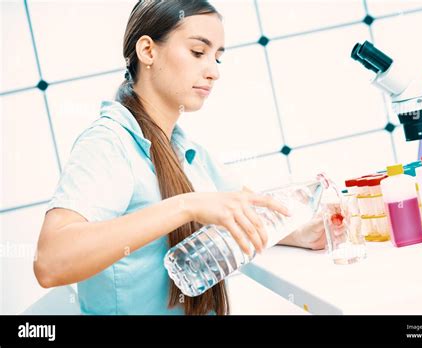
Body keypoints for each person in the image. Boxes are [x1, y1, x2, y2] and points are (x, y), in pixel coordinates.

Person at [34, 0, 332, 315]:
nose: (214, 72)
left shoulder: (186, 152)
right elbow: (51, 262)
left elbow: (250, 214)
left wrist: (303, 232)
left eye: (218, 58)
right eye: (197, 53)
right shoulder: (109, 144)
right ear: (147, 51)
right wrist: (186, 205)